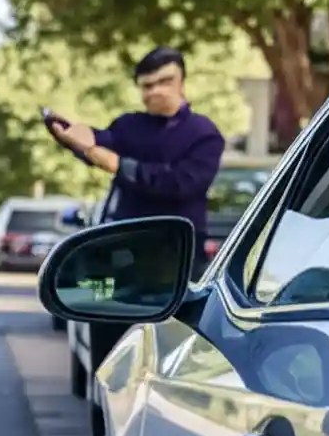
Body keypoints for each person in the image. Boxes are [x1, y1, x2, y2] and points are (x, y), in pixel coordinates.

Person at [47, 46, 225, 275]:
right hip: (124, 250)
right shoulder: (128, 125)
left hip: (177, 256)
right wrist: (69, 136)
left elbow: (180, 183)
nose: (156, 91)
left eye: (165, 81)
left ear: (181, 83)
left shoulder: (204, 133)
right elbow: (98, 143)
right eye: (147, 85)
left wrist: (119, 165)